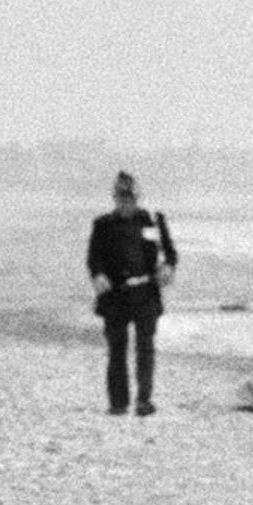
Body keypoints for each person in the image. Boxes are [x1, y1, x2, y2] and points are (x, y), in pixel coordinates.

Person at [87, 171, 179, 416]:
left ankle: (143, 401)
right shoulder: (102, 225)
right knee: (117, 350)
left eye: (130, 195)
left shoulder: (153, 222)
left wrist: (168, 267)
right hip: (115, 296)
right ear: (114, 197)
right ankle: (118, 403)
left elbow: (170, 253)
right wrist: (98, 275)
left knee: (145, 349)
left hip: (146, 293)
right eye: (120, 195)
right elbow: (93, 258)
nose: (125, 200)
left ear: (138, 196)